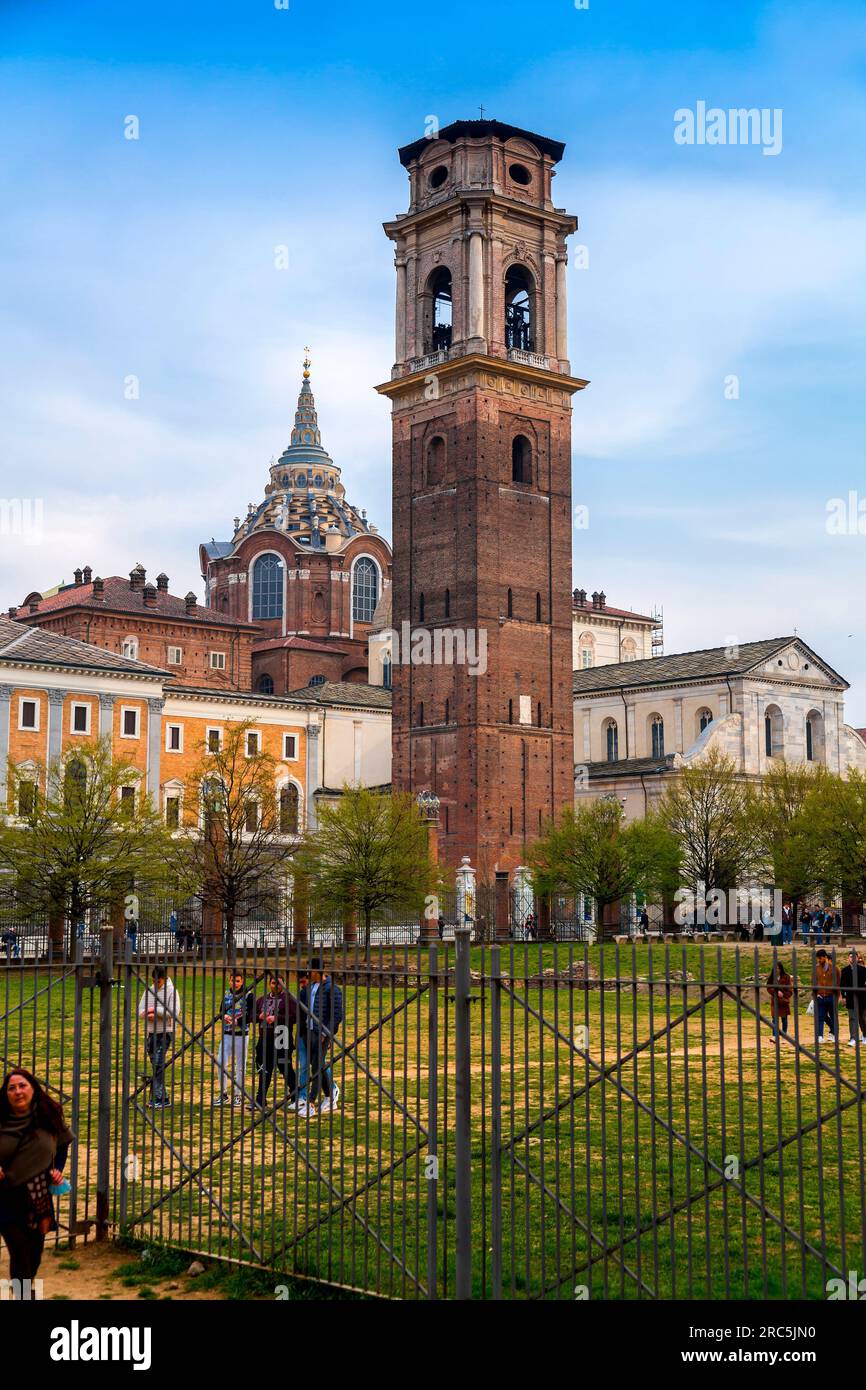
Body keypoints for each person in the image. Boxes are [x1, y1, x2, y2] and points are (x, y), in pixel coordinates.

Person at [0, 1068, 74, 1294]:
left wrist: (56, 1170)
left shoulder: (47, 1115)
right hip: (6, 1197)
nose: (18, 1092)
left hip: (39, 1197)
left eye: (22, 1086)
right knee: (20, 1251)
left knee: (34, 1254)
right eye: (12, 1088)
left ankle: (21, 1290)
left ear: (33, 1089)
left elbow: (62, 1144)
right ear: (5, 1094)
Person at [299, 959, 343, 1118]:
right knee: (319, 1065)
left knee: (316, 1067)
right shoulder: (310, 987)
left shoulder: (332, 989)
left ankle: (311, 1103)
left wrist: (326, 1033)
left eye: (310, 970)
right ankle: (330, 1096)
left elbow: (337, 1015)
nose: (308, 973)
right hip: (309, 1032)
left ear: (317, 971)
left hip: (322, 1034)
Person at [137, 965, 181, 1108]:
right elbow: (140, 1009)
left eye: (159, 982)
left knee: (158, 1062)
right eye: (154, 981)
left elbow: (174, 1012)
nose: (156, 985)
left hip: (165, 1031)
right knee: (156, 1065)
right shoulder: (148, 990)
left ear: (164, 979)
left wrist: (155, 1011)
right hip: (151, 1031)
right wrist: (147, 1014)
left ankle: (160, 1098)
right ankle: (162, 1096)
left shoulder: (172, 991)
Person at [254, 973, 297, 1109]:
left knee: (285, 1067)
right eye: (273, 983)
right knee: (264, 1069)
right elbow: (250, 1016)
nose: (276, 986)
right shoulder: (262, 1000)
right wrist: (259, 1016)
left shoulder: (289, 1000)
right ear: (269, 984)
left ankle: (296, 1096)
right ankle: (260, 1100)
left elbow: (295, 1017)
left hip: (281, 1036)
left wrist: (276, 1018)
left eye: (279, 983)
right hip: (264, 1037)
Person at [214, 971, 254, 1107]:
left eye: (237, 981)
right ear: (229, 981)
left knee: (240, 1066)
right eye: (232, 980)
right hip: (226, 1034)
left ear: (242, 981)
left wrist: (238, 1022)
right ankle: (223, 1094)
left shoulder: (249, 995)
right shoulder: (227, 994)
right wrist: (223, 1016)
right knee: (220, 1063)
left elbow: (251, 1015)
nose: (235, 983)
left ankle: (238, 1095)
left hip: (241, 1036)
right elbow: (221, 1011)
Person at [839, 949, 866, 1048]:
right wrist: (844, 997)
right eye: (850, 957)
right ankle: (853, 1038)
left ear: (857, 958)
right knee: (852, 1018)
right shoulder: (844, 971)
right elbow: (842, 986)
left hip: (862, 998)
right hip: (850, 998)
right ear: (848, 958)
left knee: (863, 1018)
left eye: (854, 957)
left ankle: (865, 1035)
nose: (852, 958)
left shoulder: (863, 970)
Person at [812, 949, 839, 1044]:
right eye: (818, 958)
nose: (819, 960)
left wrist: (837, 997)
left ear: (825, 957)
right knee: (820, 1017)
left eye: (820, 958)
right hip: (820, 997)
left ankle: (835, 1034)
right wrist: (815, 995)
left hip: (831, 996)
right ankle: (819, 1036)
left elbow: (838, 984)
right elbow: (813, 983)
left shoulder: (835, 969)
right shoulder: (816, 968)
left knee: (833, 1017)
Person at [766, 961, 793, 1040]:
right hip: (775, 1001)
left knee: (784, 1018)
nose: (777, 970)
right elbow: (768, 987)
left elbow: (790, 990)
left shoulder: (787, 977)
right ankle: (774, 1036)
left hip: (784, 1001)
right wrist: (776, 992)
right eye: (775, 968)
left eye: (778, 968)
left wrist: (784, 995)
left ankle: (784, 1035)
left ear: (781, 969)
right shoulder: (772, 978)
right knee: (774, 1019)